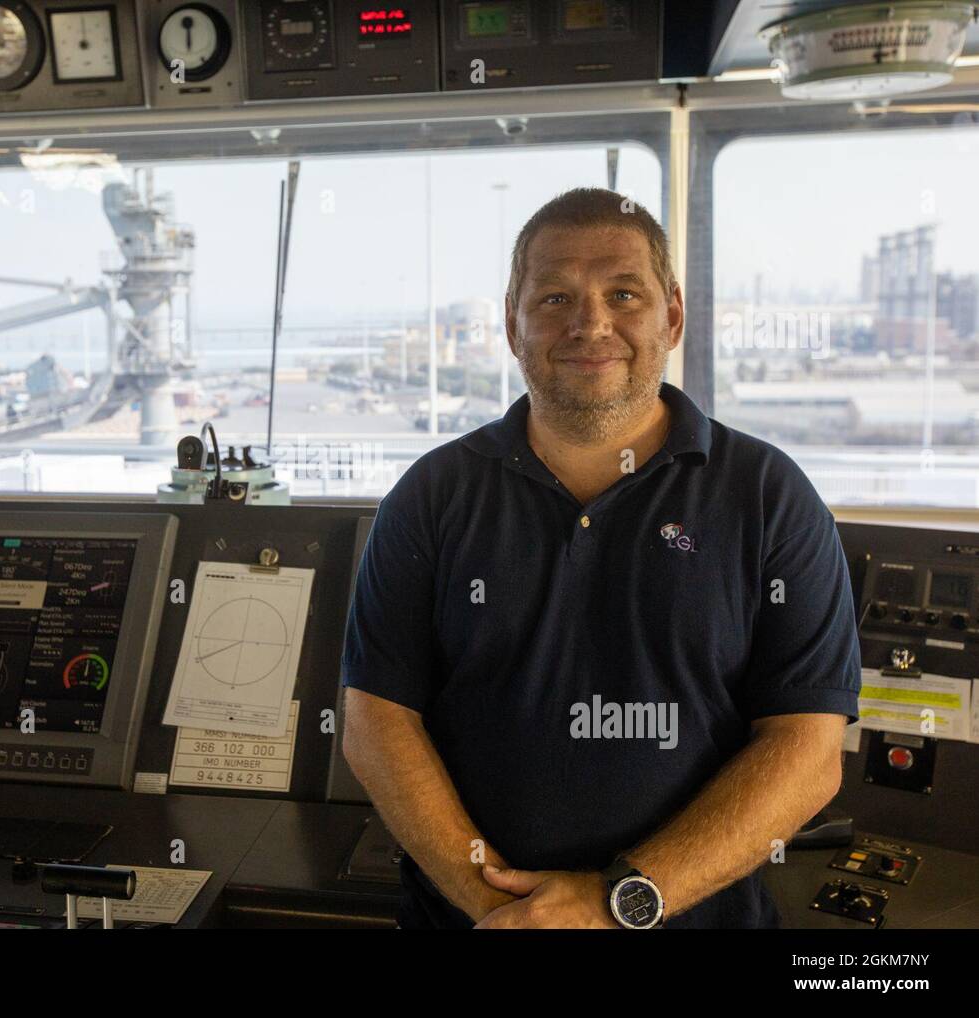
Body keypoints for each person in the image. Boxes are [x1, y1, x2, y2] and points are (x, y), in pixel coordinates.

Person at [340, 187, 861, 929]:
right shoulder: (431, 496)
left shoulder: (769, 497)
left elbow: (807, 749)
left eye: (624, 293)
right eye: (554, 298)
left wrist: (617, 903)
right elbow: (376, 720)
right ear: (512, 326)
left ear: (672, 316)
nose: (591, 323)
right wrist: (500, 910)